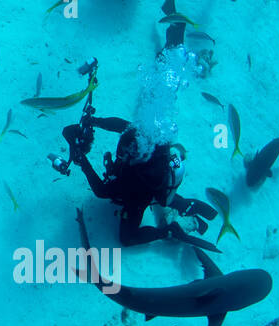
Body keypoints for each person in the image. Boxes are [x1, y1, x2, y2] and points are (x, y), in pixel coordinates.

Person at [60, 102, 219, 250]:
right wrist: (95, 121)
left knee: (127, 238)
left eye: (125, 155)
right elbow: (122, 125)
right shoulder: (143, 138)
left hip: (139, 196)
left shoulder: (137, 175)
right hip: (156, 183)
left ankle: (169, 231)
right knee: (159, 194)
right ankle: (188, 205)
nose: (122, 155)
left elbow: (101, 191)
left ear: (136, 156)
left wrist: (83, 161)